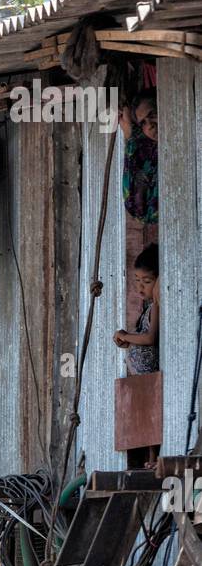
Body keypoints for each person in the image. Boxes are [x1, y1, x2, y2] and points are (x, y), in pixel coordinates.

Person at [114, 243, 160, 375]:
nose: (140, 287)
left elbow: (150, 339)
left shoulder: (156, 305)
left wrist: (126, 336)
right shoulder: (149, 308)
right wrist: (129, 342)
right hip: (144, 381)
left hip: (154, 381)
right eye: (137, 280)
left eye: (146, 282)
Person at [120, 94, 158, 224]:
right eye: (143, 123)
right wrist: (130, 138)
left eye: (152, 114)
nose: (150, 125)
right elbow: (138, 209)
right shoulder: (151, 158)